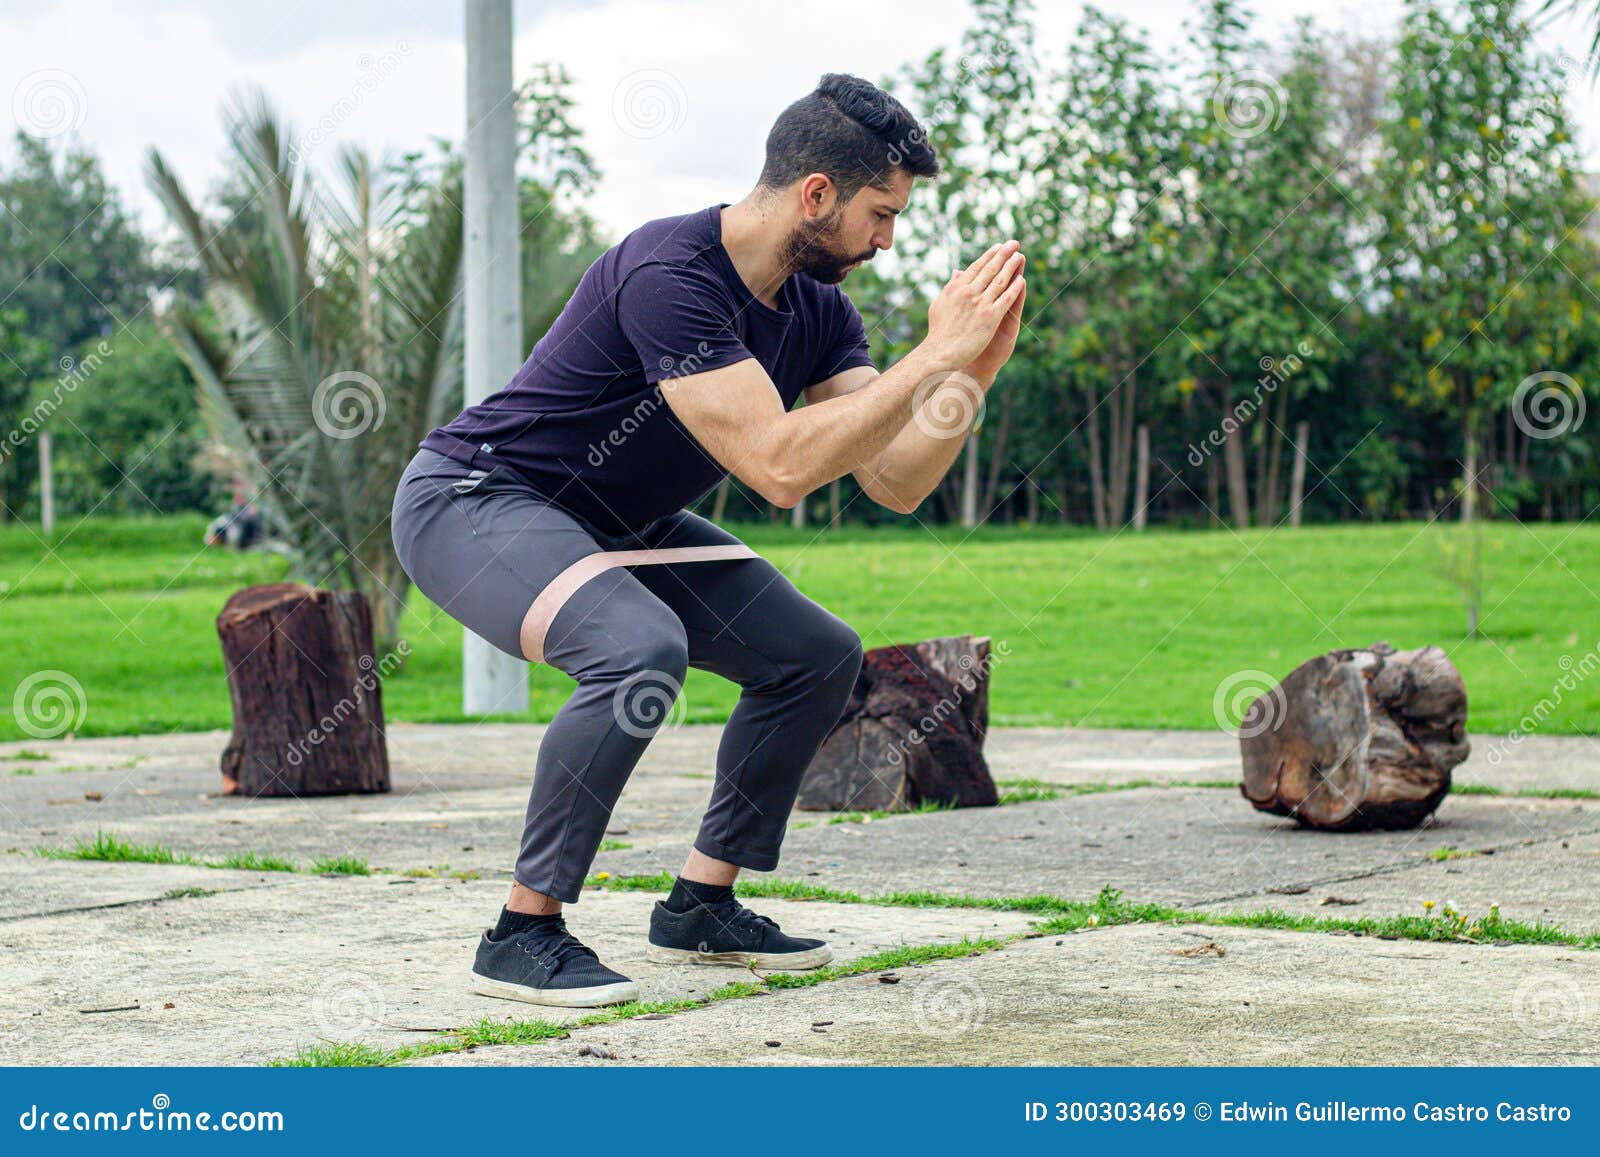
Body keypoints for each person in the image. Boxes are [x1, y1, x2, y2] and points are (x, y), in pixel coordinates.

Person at [391, 72, 1026, 1008]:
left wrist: (974, 368)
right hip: (477, 498)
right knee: (636, 650)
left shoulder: (816, 311)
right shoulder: (671, 273)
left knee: (815, 654)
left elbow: (894, 479)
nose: (887, 243)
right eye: (880, 215)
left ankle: (702, 901)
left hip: (618, 526)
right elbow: (776, 465)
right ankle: (522, 933)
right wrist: (930, 353)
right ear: (818, 194)